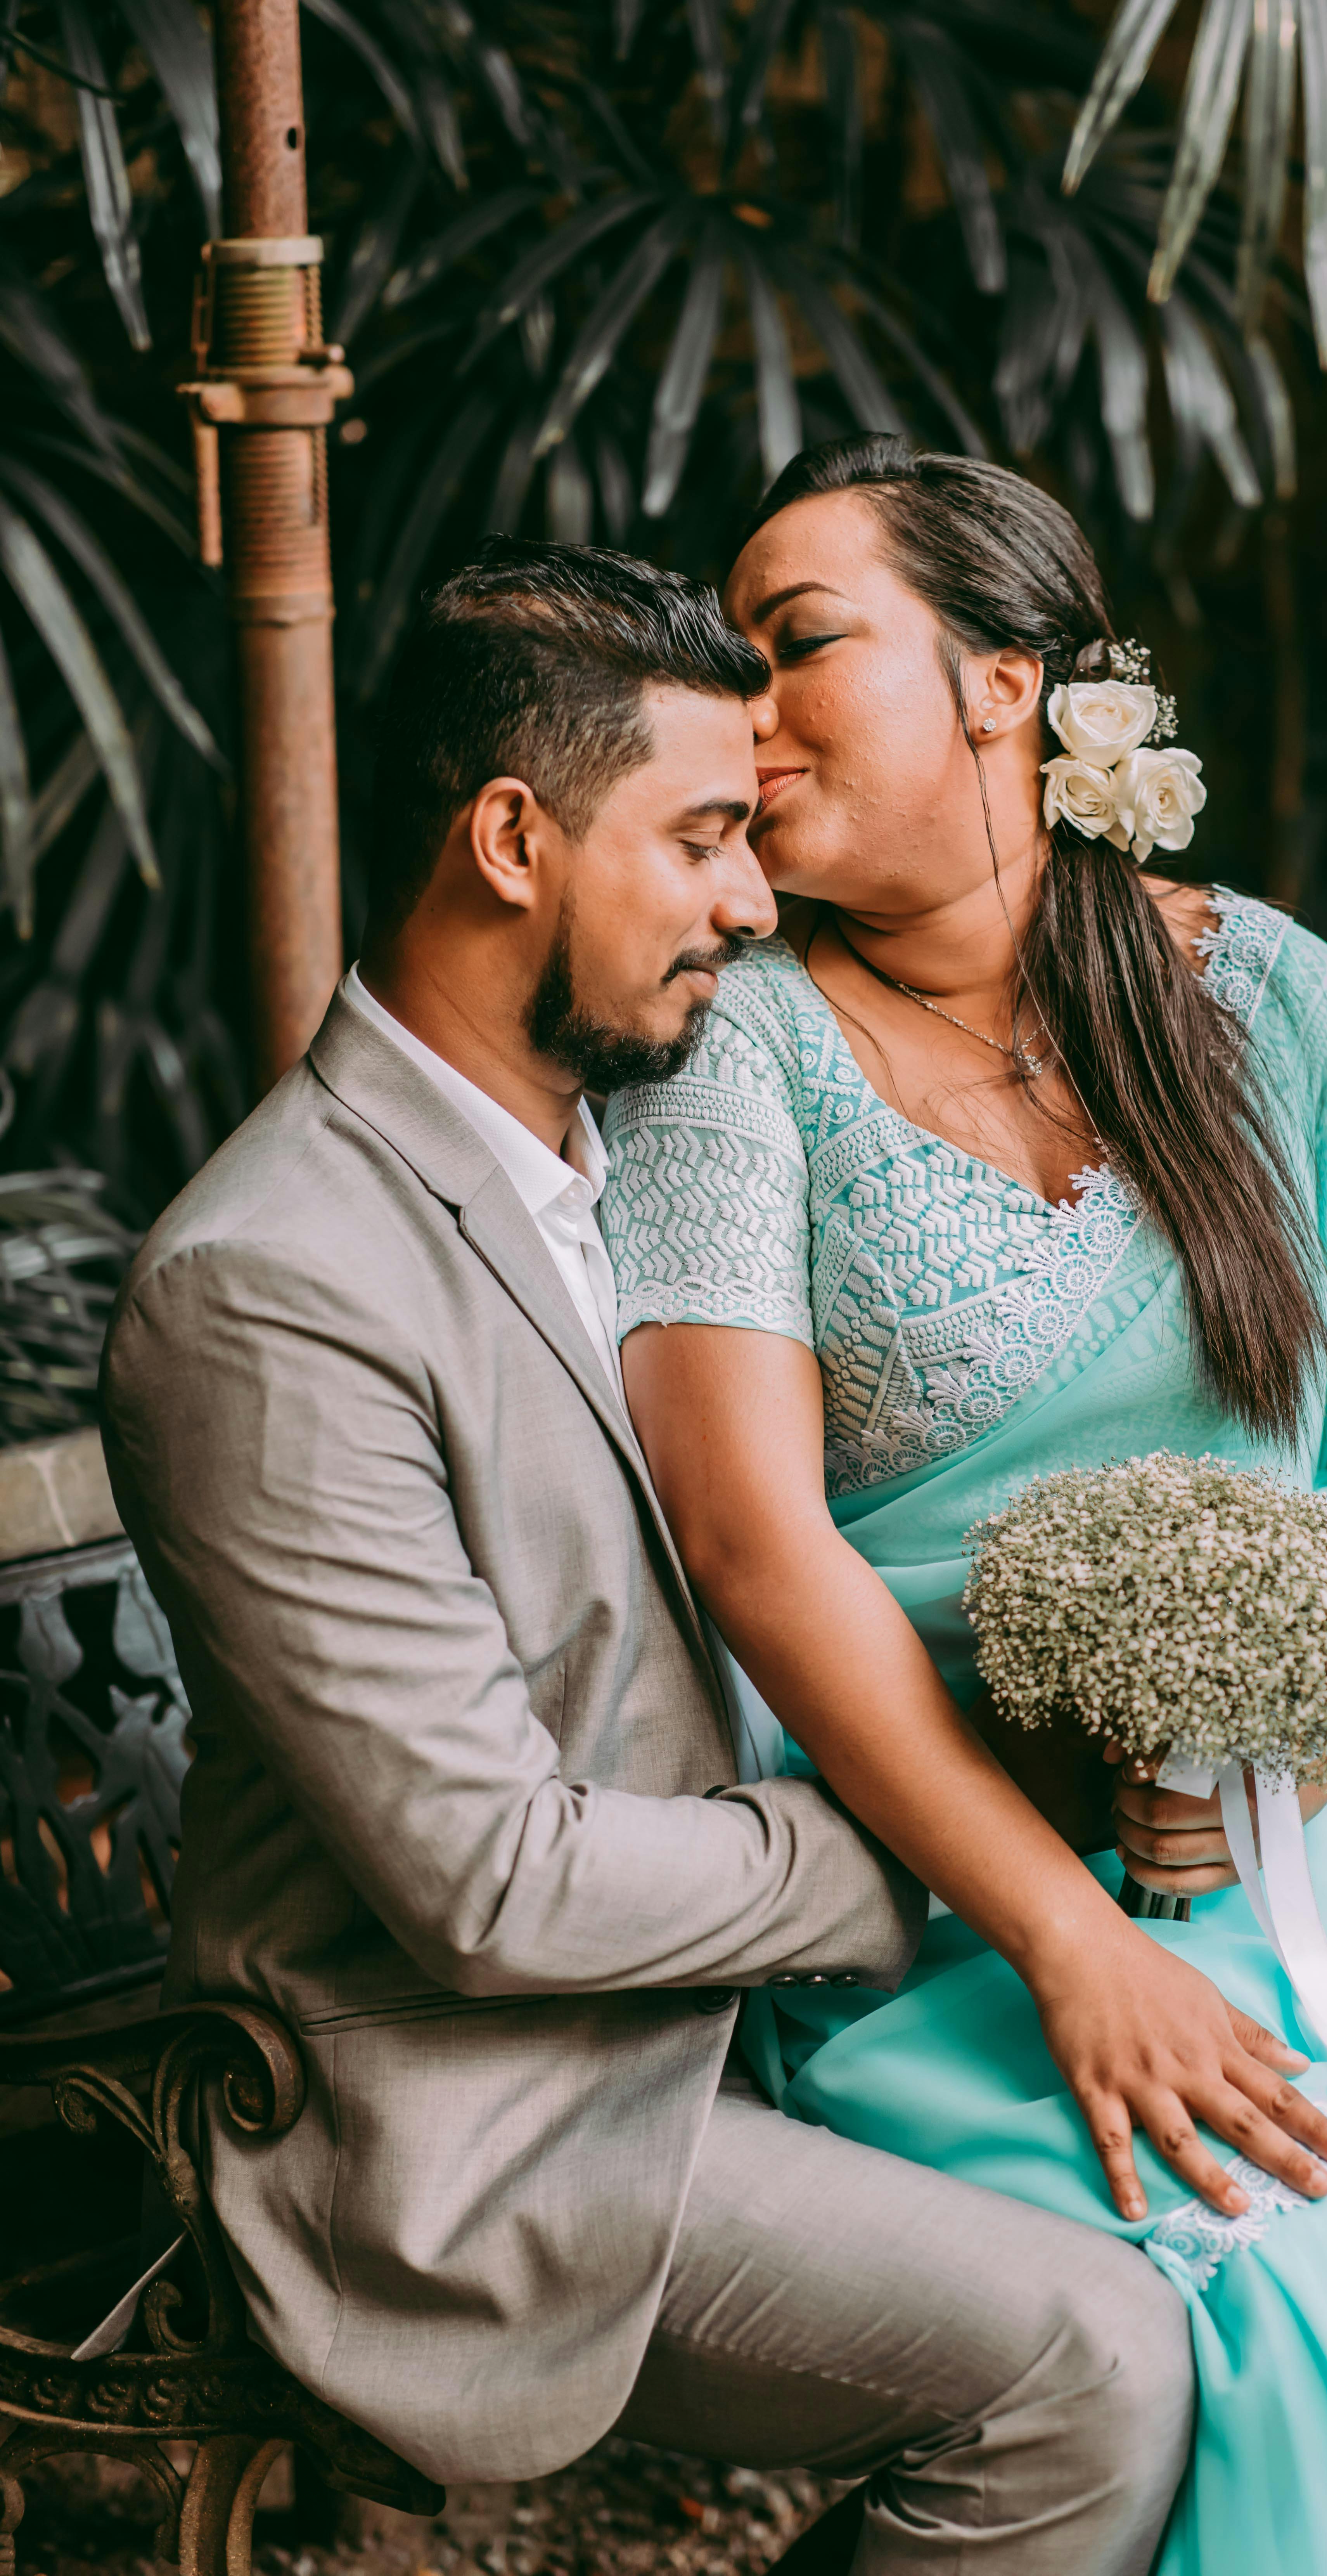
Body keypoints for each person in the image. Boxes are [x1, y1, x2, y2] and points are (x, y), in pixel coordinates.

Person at [601, 438, 1327, 2576]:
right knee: (1321, 2326)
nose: (739, 716)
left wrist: (1256, 1674)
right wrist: (1071, 1928)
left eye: (799, 646)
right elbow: (753, 1547)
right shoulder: (730, 1058)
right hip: (944, 1880)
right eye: (721, 666)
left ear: (1007, 682)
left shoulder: (1284, 1008)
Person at [100, 542, 1208, 2575]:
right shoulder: (270, 1284)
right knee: (1097, 2361)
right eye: (702, 839)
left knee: (1256, 2231)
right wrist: (940, 1850)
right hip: (479, 2126)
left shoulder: (630, 1157)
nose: (752, 902)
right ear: (515, 839)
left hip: (728, 2018)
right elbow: (489, 1883)